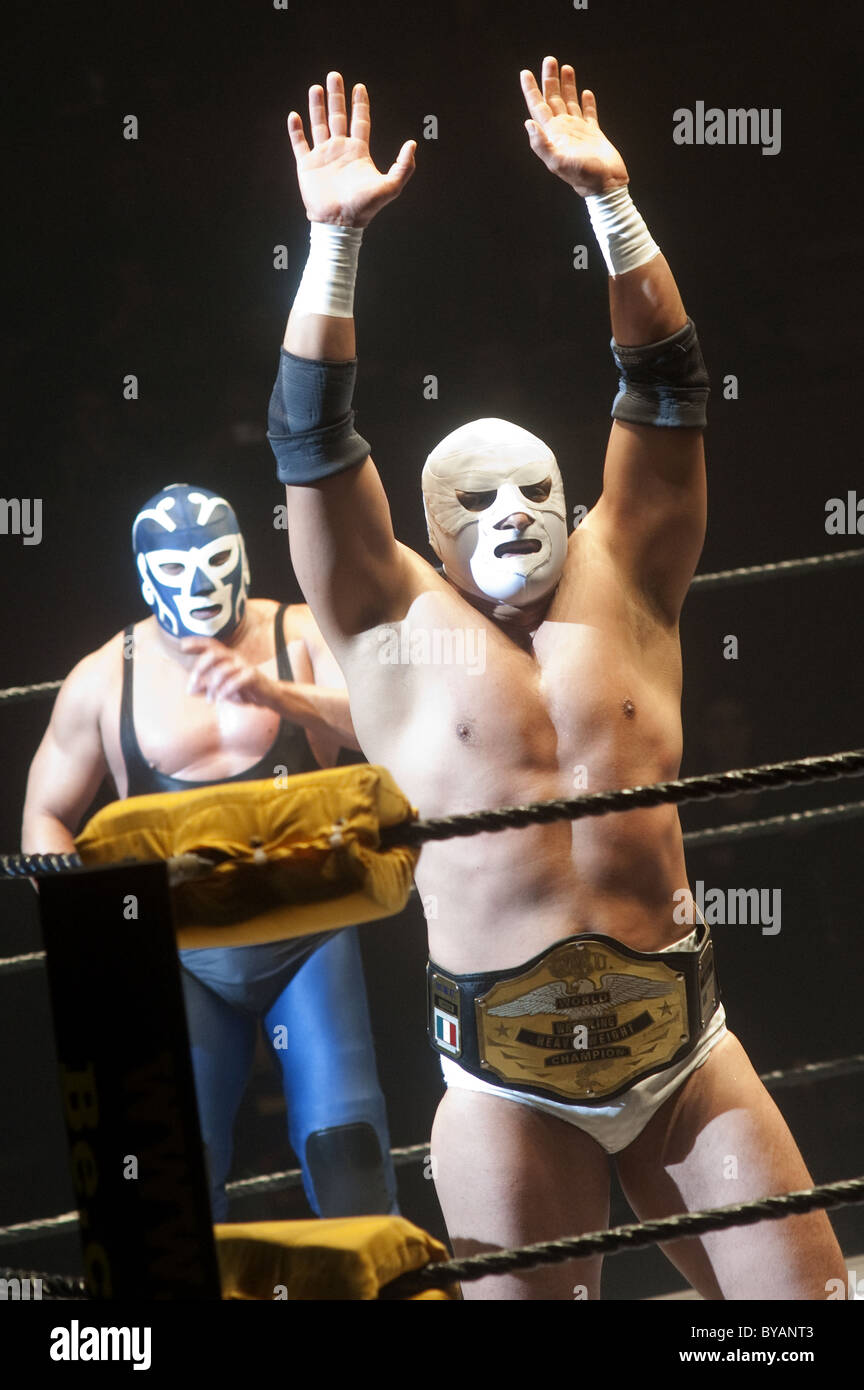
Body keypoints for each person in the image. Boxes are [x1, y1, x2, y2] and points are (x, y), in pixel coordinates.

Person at [264, 60, 846, 1299]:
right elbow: (310, 442)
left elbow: (669, 386)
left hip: (685, 1048)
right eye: (476, 504)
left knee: (805, 1313)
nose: (514, 518)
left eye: (536, 491)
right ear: (426, 529)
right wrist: (331, 243)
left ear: (574, 502)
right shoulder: (389, 623)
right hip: (504, 1078)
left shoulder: (626, 577)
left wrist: (612, 203)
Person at [22, 482, 397, 1222]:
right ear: (144, 575)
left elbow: (393, 728)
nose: (201, 584)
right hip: (179, 949)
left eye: (218, 560)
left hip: (305, 933)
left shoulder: (297, 635)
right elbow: (43, 816)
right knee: (176, 1176)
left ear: (246, 559)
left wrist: (283, 697)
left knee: (346, 1148)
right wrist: (94, 922)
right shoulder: (105, 678)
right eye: (179, 569)